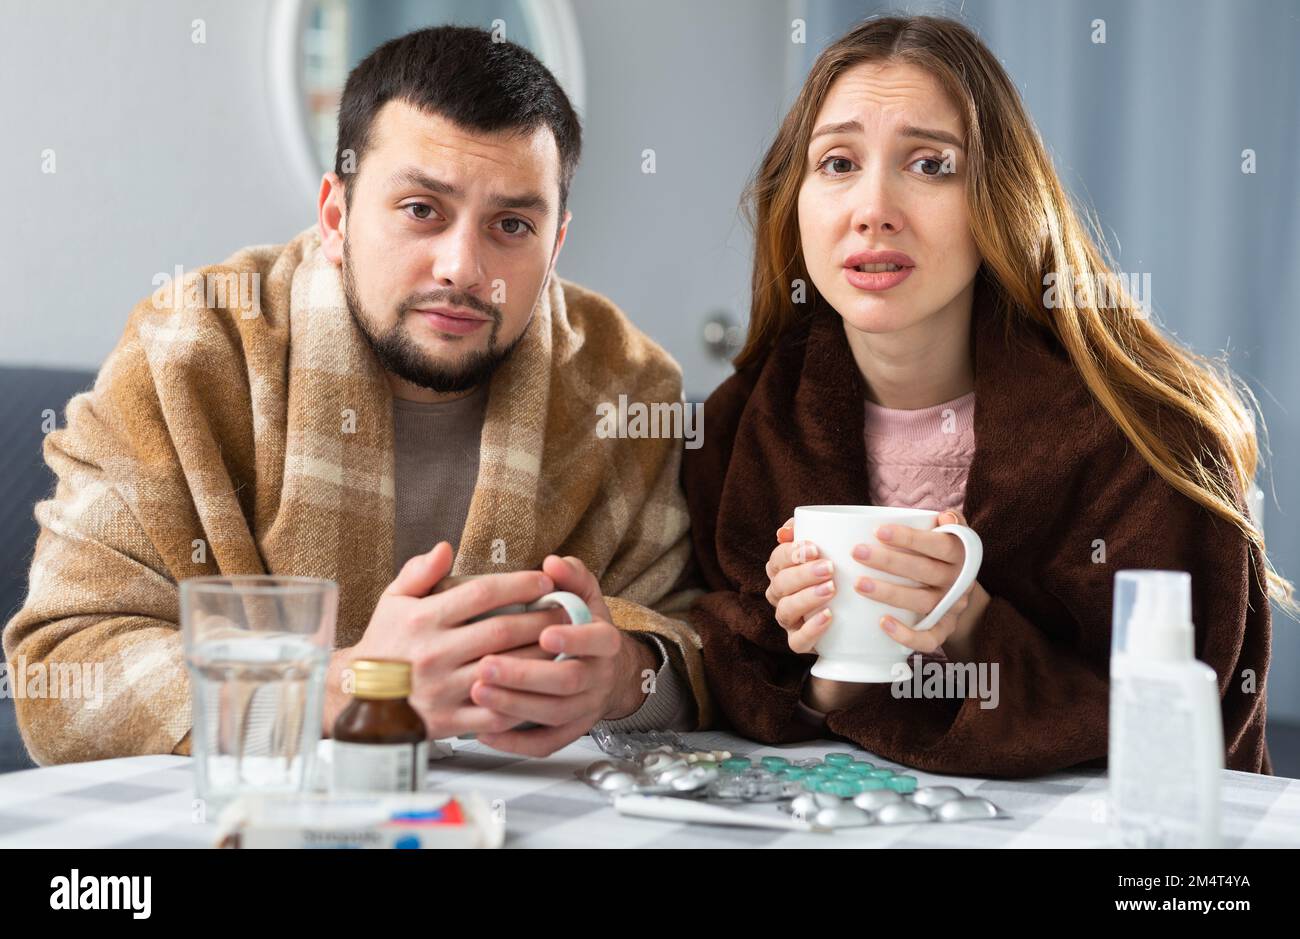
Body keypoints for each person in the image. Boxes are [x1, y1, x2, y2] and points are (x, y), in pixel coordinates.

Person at [3, 26, 708, 765]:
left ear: (555, 245)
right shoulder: (184, 352)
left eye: (511, 225)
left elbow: (693, 641)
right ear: (336, 218)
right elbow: (60, 670)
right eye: (421, 210)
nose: (462, 268)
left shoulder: (628, 388)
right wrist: (345, 689)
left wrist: (627, 676)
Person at [682, 14, 1290, 777]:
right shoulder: (739, 429)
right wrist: (831, 663)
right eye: (837, 162)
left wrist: (969, 626)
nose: (873, 207)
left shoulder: (1144, 445)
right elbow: (732, 677)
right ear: (793, 200)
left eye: (931, 165)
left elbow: (1194, 737)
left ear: (999, 199)